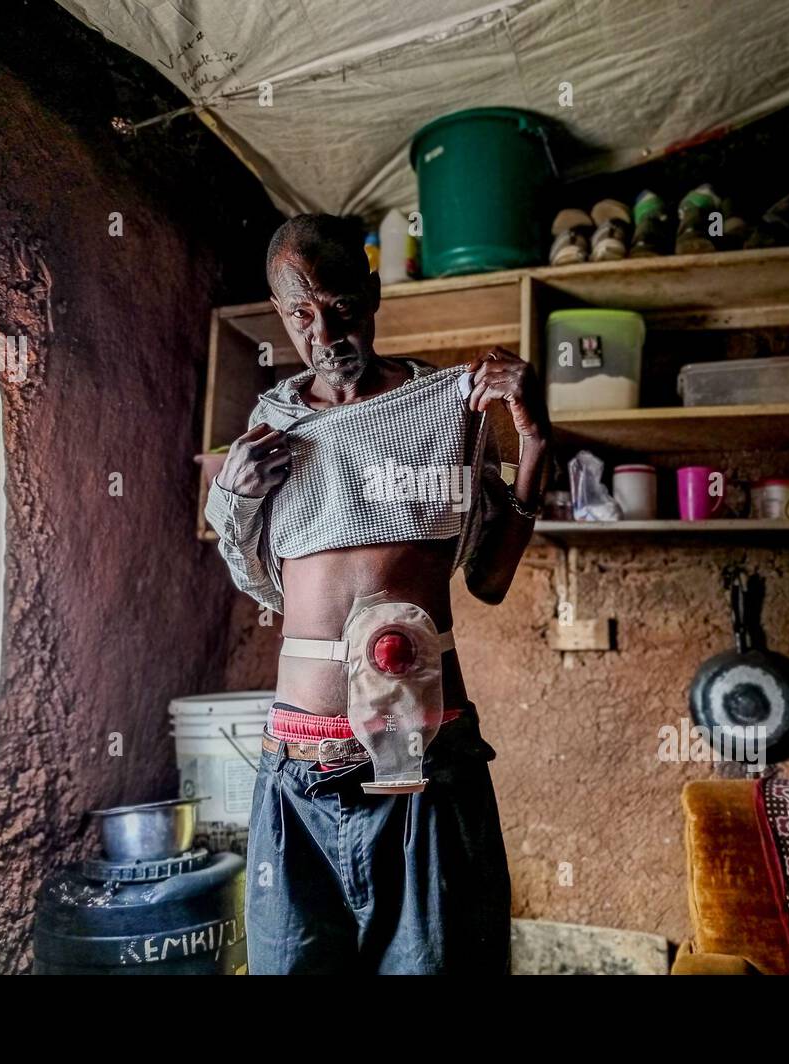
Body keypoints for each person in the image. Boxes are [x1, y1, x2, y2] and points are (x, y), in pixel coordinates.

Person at [202, 213, 549, 974]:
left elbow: (487, 580)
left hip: (426, 763)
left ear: (373, 292)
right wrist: (232, 495)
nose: (323, 331)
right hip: (297, 773)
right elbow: (257, 578)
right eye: (300, 314)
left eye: (340, 305)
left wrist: (534, 444)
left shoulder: (444, 409)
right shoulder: (274, 422)